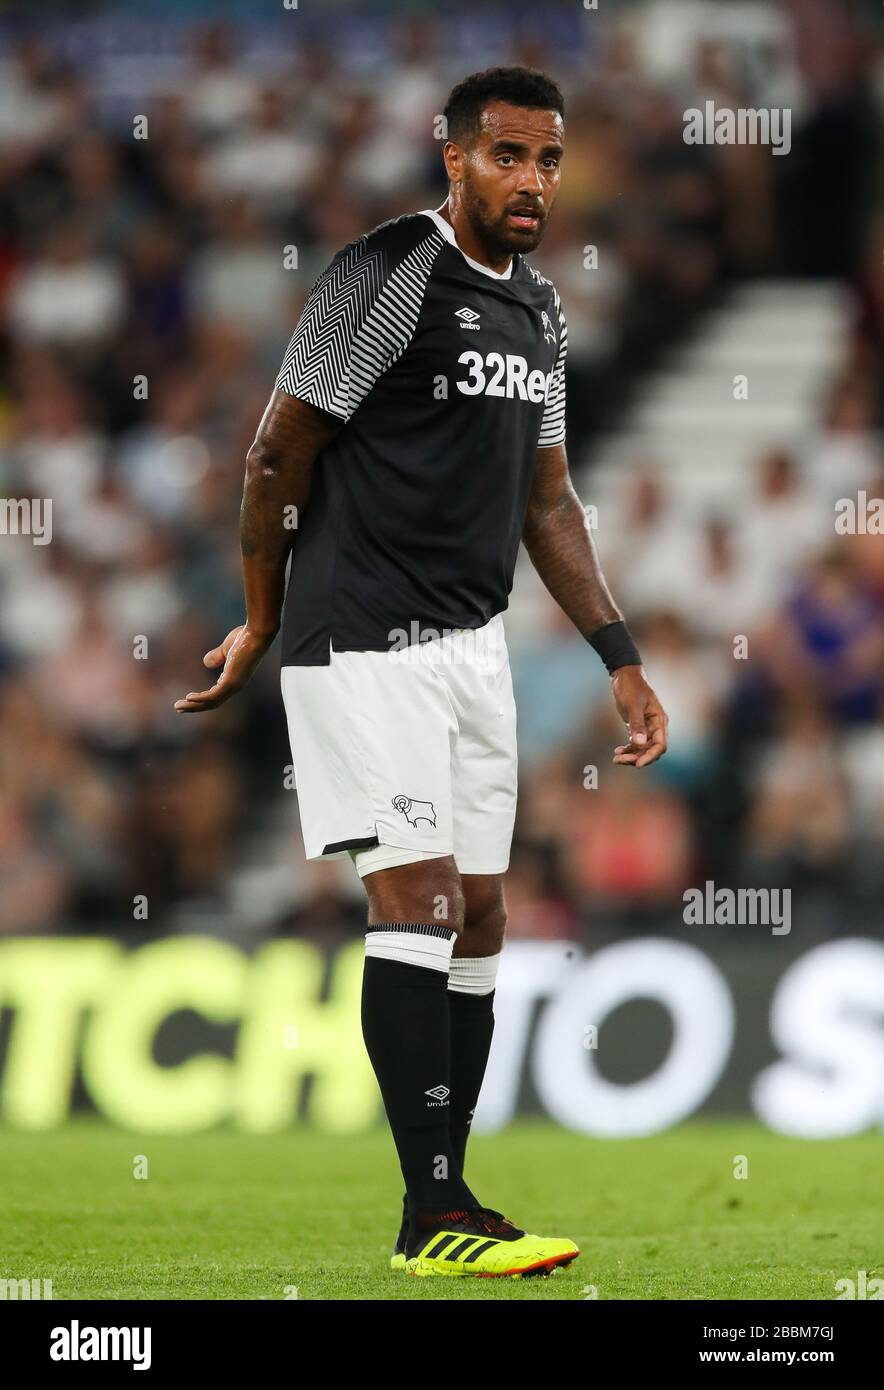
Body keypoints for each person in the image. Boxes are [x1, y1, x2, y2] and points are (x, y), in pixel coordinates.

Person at [176, 66, 668, 1278]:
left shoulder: (540, 311)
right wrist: (259, 617)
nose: (530, 180)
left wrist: (620, 655)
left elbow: (547, 504)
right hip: (358, 637)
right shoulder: (383, 273)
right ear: (452, 158)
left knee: (486, 912)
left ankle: (454, 1193)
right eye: (506, 155)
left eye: (547, 159)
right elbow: (272, 455)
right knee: (421, 901)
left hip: (469, 646)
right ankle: (430, 1210)